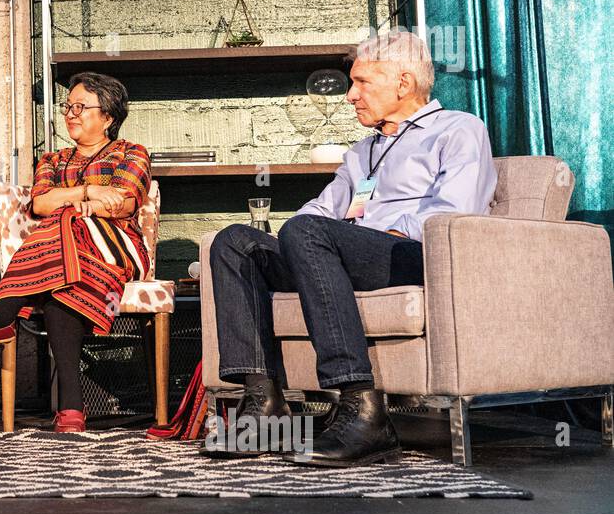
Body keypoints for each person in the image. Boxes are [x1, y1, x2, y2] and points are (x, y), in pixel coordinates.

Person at [203, 31, 497, 466]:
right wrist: (296, 241)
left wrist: (365, 234)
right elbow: (318, 212)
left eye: (362, 83)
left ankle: (362, 407)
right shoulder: (363, 152)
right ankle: (265, 406)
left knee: (309, 234)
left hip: (412, 255)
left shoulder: (458, 129)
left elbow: (456, 212)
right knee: (236, 242)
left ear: (403, 83)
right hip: (341, 255)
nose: (350, 96)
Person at [0, 72, 150, 433]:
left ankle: (0, 314)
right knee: (62, 282)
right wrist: (87, 193)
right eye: (67, 106)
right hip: (68, 263)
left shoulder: (131, 153)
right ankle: (72, 409)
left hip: (117, 251)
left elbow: (123, 204)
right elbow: (40, 203)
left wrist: (73, 204)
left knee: (65, 220)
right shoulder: (53, 160)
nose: (70, 114)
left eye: (80, 107)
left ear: (108, 117)